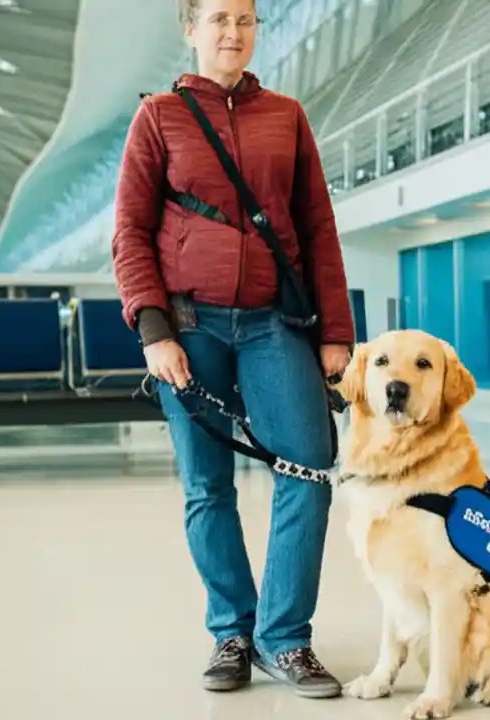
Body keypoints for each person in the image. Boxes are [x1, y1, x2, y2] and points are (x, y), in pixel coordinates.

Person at [110, 0, 354, 701]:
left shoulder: (287, 116)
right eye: (218, 19)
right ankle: (232, 632)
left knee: (308, 468)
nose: (233, 32)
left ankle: (286, 637)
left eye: (245, 19)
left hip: (275, 323)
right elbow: (130, 231)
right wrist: (153, 331)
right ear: (190, 29)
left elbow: (318, 228)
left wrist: (335, 333)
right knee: (207, 486)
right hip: (189, 326)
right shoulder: (158, 117)